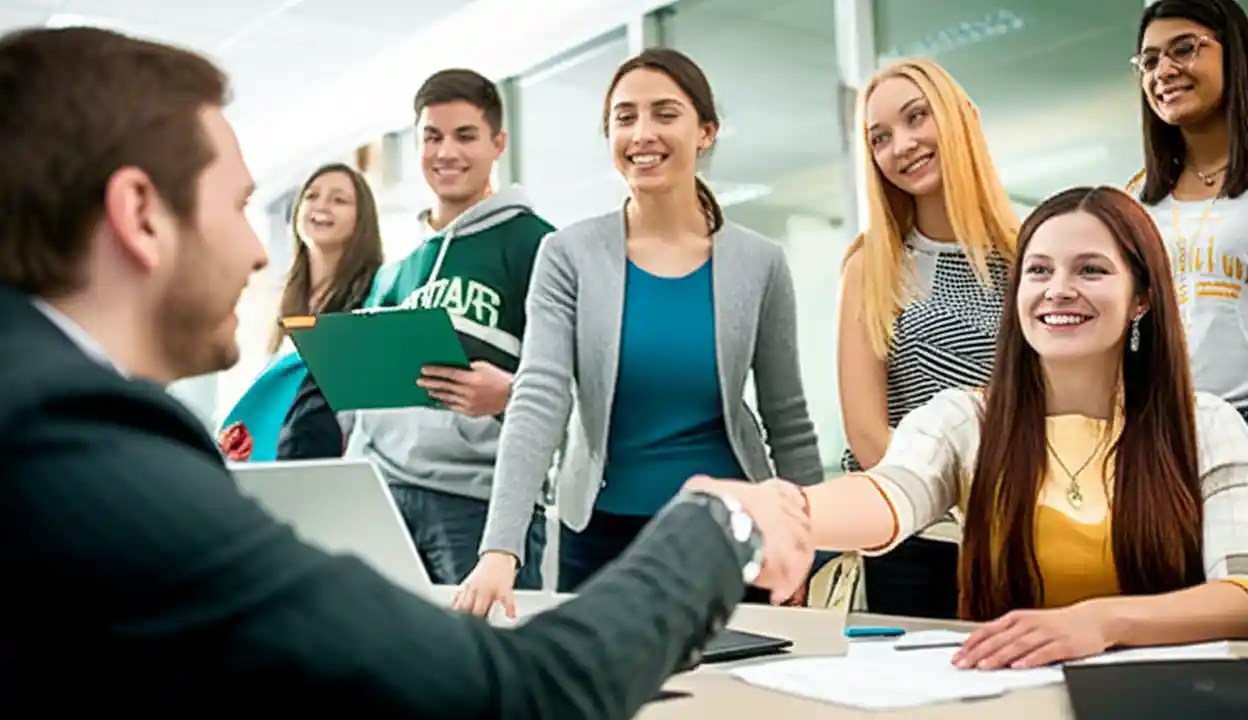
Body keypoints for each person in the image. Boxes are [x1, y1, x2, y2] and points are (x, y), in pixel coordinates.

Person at [0, 26, 816, 715]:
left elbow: (780, 413)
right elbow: (516, 693)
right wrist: (723, 525)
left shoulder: (54, 417)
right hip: (520, 514)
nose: (258, 252)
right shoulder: (73, 444)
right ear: (141, 214)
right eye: (242, 206)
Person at [701, 186, 1248, 668]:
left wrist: (1101, 622)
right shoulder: (964, 419)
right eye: (1039, 270)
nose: (1059, 289)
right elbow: (888, 494)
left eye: (1091, 270)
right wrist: (783, 510)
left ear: (1142, 297)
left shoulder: (1207, 424)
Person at [454, 48, 824, 618]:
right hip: (600, 540)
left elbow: (789, 421)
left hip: (731, 539)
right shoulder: (567, 255)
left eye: (664, 113)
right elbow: (538, 398)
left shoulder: (760, 263)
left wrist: (811, 544)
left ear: (705, 132)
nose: (642, 133)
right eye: (624, 118)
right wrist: (500, 547)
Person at [343, 69, 553, 587]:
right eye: (432, 137)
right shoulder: (398, 268)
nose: (446, 153)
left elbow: (581, 377)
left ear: (497, 143)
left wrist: (512, 393)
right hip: (387, 492)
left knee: (489, 659)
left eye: (465, 136)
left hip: (479, 502)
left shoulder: (540, 246)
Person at [838, 57, 1019, 618]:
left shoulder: (1032, 251)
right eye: (880, 137)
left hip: (1024, 536)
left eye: (917, 117)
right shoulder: (872, 265)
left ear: (964, 117)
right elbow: (867, 433)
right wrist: (967, 504)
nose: (902, 145)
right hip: (916, 539)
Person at [1128, 0, 1248, 520]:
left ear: (1232, 53)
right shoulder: (1136, 203)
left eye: (1185, 48)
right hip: (1165, 440)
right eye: (1148, 61)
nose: (1164, 71)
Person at [218, 163, 383, 461]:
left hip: (327, 461)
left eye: (339, 200)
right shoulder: (279, 300)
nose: (321, 206)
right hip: (268, 461)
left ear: (362, 220)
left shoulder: (375, 297)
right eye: (311, 196)